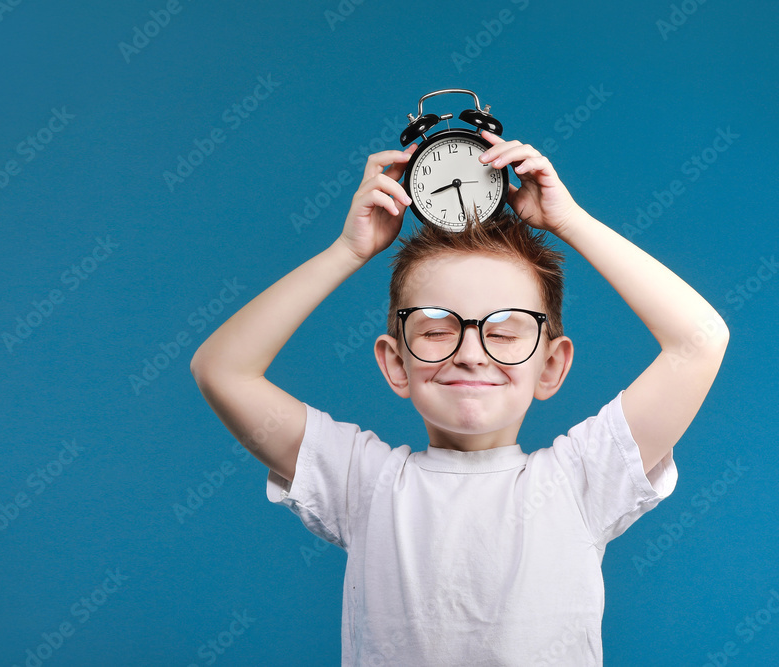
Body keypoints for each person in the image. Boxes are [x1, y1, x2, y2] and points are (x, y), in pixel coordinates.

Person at [189, 131, 729, 665]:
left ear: (551, 366)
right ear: (395, 363)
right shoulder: (363, 483)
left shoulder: (581, 481)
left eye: (506, 331)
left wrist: (571, 222)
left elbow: (701, 340)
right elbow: (222, 370)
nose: (471, 353)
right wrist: (347, 251)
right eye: (435, 329)